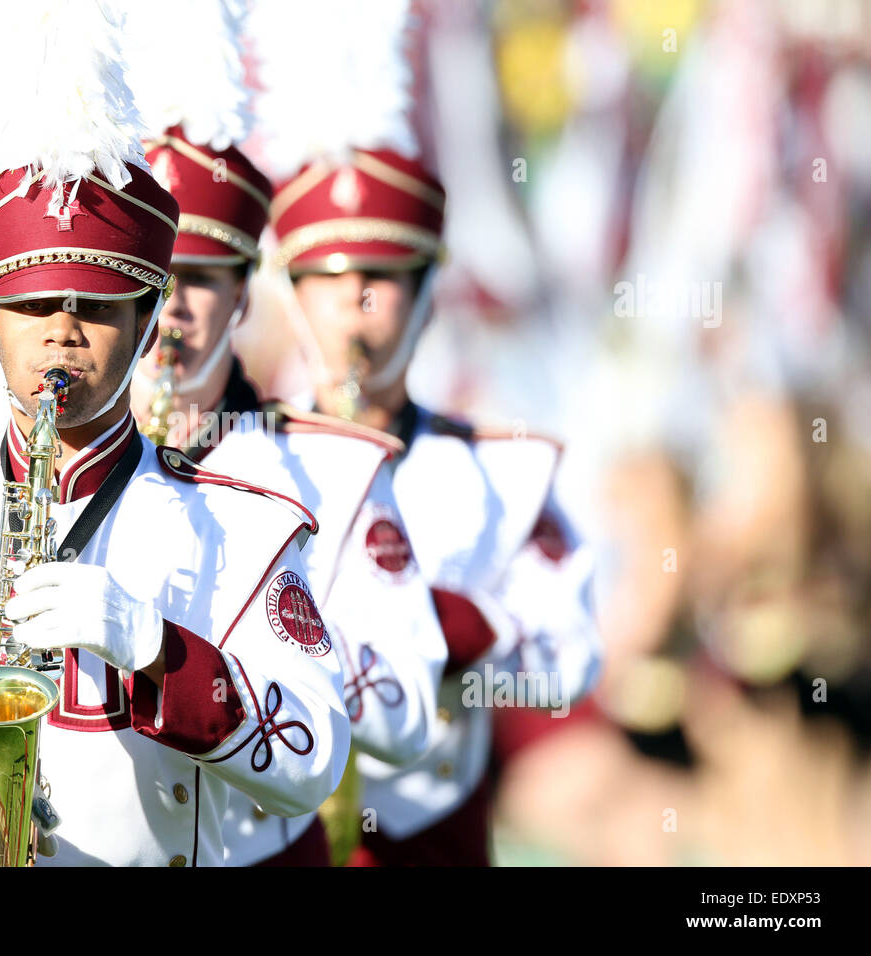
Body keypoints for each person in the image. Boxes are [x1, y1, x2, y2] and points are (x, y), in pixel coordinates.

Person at [0, 0, 349, 867]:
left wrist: (159, 647)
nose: (61, 332)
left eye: (94, 309)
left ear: (149, 323)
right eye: (34, 308)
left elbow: (314, 757)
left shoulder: (249, 529)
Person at [249, 0, 603, 864]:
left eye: (383, 277)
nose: (356, 306)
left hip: (435, 841)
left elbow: (567, 663)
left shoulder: (496, 472)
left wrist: (439, 628)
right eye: (329, 279)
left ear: (428, 289)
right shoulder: (240, 458)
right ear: (290, 287)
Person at [118, 0, 446, 867]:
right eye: (151, 277)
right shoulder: (63, 467)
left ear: (242, 295)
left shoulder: (331, 470)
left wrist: (281, 660)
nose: (173, 310)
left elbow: (411, 707)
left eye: (201, 279)